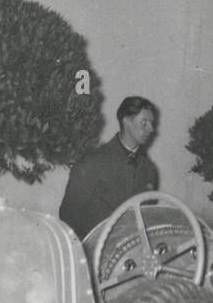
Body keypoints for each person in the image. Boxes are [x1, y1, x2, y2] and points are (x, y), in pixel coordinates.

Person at [58, 96, 159, 239]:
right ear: (127, 121)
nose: (151, 129)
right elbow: (68, 216)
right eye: (144, 122)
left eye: (151, 123)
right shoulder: (92, 162)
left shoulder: (149, 171)